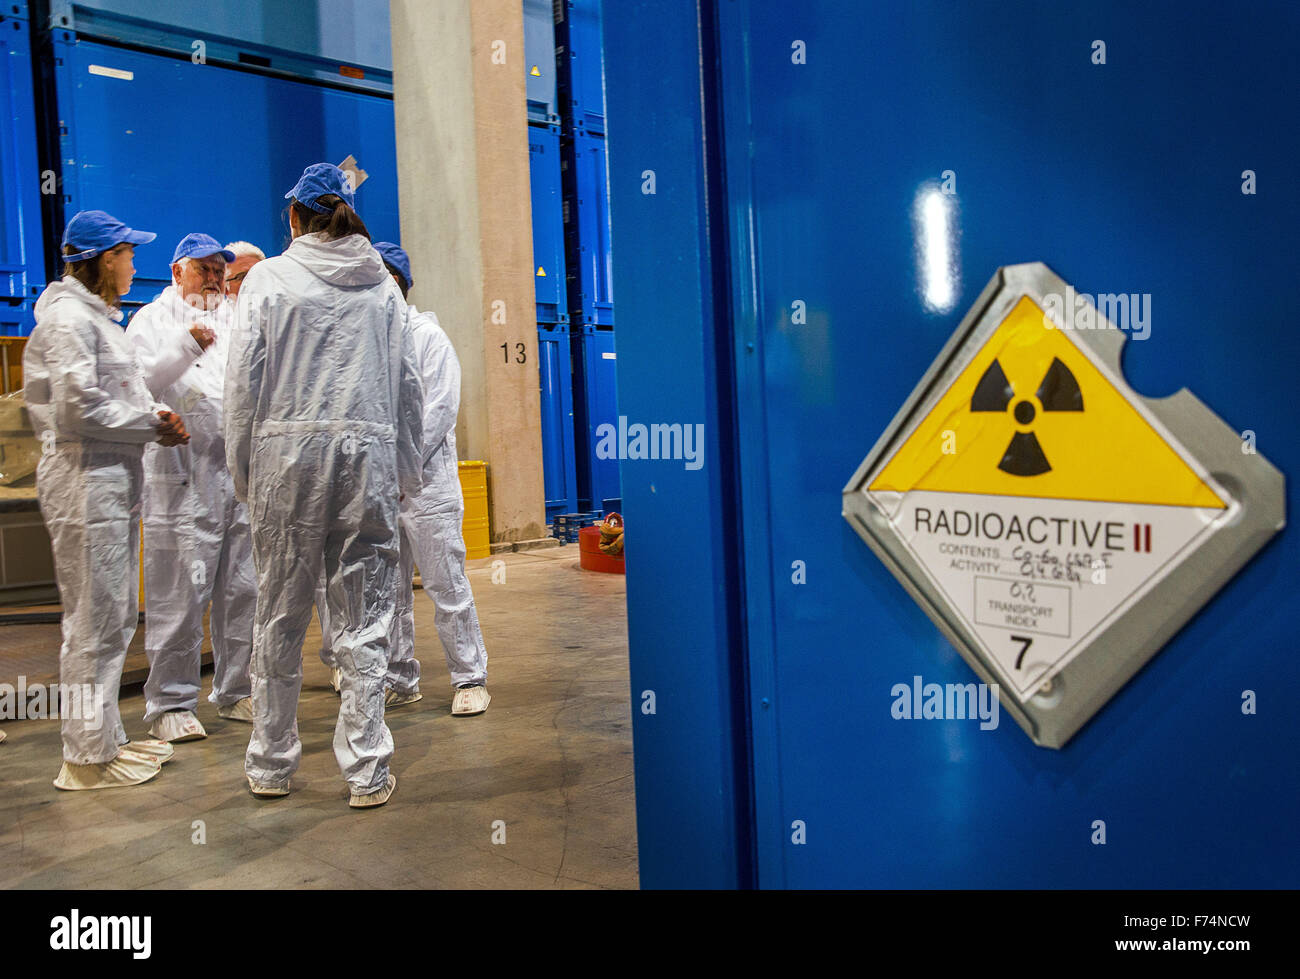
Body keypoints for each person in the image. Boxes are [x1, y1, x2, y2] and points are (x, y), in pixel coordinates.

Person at [224, 164, 423, 808]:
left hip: (287, 460)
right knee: (365, 619)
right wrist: (406, 473)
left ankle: (271, 764)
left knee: (279, 614)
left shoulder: (268, 280)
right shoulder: (384, 291)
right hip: (366, 461)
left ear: (294, 218)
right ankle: (366, 772)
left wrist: (243, 474)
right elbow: (408, 389)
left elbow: (242, 385)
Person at [23, 210, 190, 790]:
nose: (133, 263)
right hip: (84, 485)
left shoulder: (96, 319)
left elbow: (110, 397)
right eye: (126, 254)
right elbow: (77, 409)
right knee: (94, 620)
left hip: (108, 484)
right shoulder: (70, 321)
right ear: (101, 259)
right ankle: (86, 759)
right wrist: (151, 424)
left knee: (114, 615)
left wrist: (153, 418)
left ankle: (105, 740)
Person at [316, 243, 489, 716]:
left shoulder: (428, 338)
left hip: (426, 488)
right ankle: (399, 675)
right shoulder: (363, 343)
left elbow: (437, 413)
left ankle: (469, 676)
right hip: (379, 490)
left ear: (394, 283)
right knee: (386, 591)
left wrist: (398, 469)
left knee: (445, 584)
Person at [127, 233, 257, 743]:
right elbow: (137, 386)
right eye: (202, 268)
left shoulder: (237, 320)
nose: (213, 277)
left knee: (243, 589)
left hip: (238, 475)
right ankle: (170, 702)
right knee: (179, 595)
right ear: (177, 272)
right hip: (180, 480)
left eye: (219, 268)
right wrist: (187, 346)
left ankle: (236, 689)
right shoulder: (151, 322)